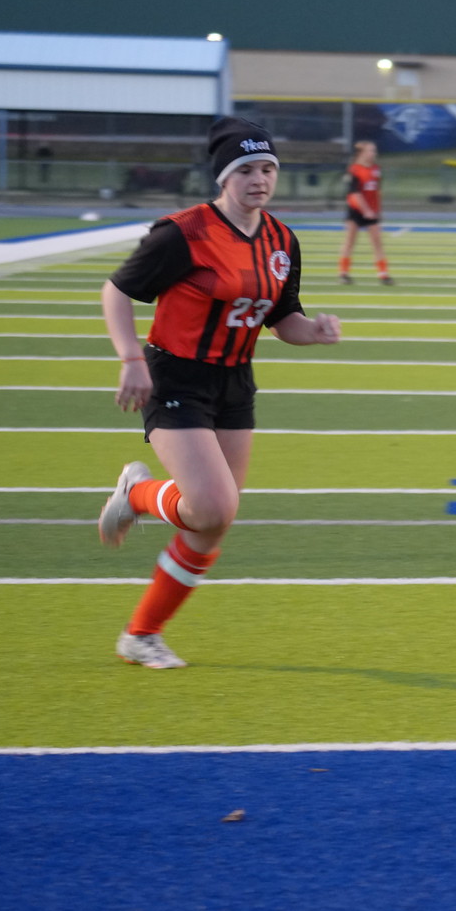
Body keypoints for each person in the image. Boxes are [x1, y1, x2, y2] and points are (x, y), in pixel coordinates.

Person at [94, 117, 343, 668]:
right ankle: (136, 494)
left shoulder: (281, 240)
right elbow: (116, 291)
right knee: (212, 506)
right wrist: (131, 360)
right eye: (247, 169)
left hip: (235, 381)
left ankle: (141, 634)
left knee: (214, 521)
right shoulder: (182, 233)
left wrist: (316, 333)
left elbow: (284, 320)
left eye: (268, 169)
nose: (260, 179)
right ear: (223, 176)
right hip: (175, 375)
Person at [337, 139, 391, 284]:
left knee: (377, 242)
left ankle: (383, 274)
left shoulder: (376, 169)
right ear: (362, 153)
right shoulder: (354, 170)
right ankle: (343, 273)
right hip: (356, 211)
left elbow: (377, 191)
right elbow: (354, 194)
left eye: (374, 150)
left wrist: (377, 210)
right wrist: (365, 210)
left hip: (372, 211)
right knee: (350, 241)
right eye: (371, 150)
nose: (374, 153)